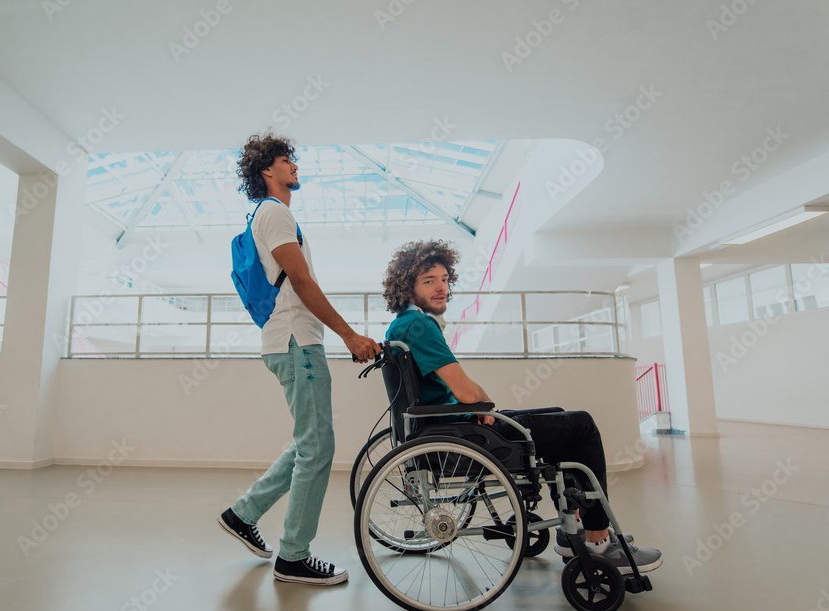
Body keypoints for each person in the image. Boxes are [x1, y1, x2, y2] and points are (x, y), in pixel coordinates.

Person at [381, 240, 662, 574]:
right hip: (457, 432)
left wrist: (479, 402)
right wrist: (483, 402)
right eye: (430, 281)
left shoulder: (404, 325)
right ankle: (597, 539)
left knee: (559, 416)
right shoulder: (419, 325)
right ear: (408, 287)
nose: (442, 287)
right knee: (581, 426)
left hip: (445, 426)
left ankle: (571, 529)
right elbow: (466, 392)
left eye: (444, 278)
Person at [218, 132, 380, 585]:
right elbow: (303, 283)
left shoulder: (270, 215)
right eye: (287, 160)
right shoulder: (274, 213)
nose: (295, 166)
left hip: (290, 341)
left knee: (309, 441)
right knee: (318, 445)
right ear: (267, 170)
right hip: (296, 342)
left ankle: (242, 513)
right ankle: (293, 557)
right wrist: (349, 335)